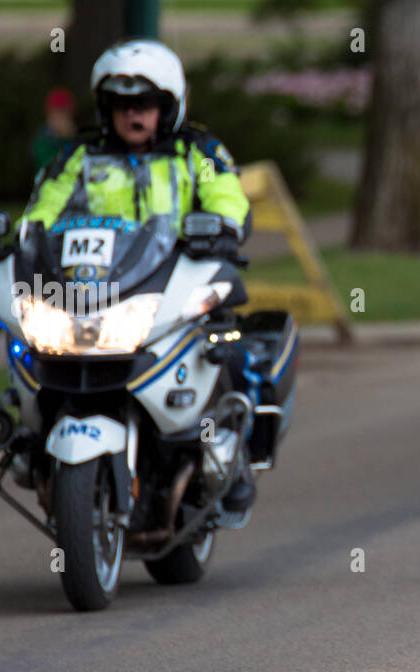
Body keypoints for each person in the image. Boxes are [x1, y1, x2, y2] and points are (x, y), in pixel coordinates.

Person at [21, 39, 259, 521]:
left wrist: (221, 227)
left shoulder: (199, 151)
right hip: (93, 290)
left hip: (179, 279)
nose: (134, 115)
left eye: (145, 105)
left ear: (167, 106)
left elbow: (227, 197)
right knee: (28, 348)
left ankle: (232, 458)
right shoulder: (79, 156)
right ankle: (30, 441)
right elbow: (41, 212)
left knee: (228, 347)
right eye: (122, 104)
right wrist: (27, 239)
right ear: (105, 107)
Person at [30, 87, 77, 172]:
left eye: (64, 114)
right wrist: (64, 139)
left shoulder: (79, 137)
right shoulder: (43, 141)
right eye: (57, 113)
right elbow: (49, 166)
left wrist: (72, 137)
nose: (61, 120)